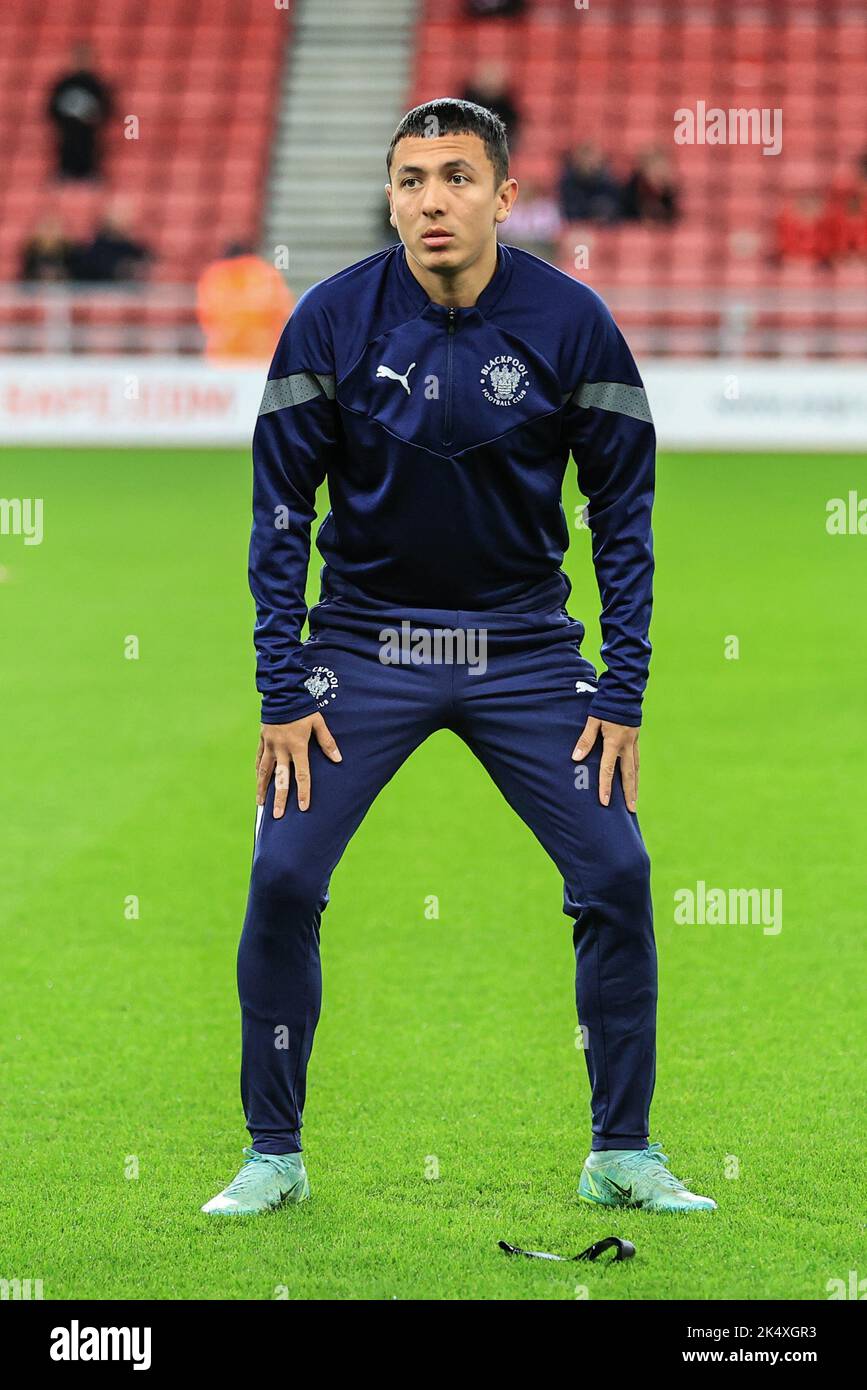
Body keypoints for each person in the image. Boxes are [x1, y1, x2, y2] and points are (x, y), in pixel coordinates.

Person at [201, 99, 717, 1217]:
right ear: (389, 197)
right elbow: (278, 516)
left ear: (504, 196)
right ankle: (272, 1154)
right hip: (361, 648)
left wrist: (621, 687)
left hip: (526, 651)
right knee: (283, 876)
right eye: (409, 180)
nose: (431, 200)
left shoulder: (573, 323)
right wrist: (280, 689)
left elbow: (621, 518)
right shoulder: (330, 323)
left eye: (456, 178)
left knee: (618, 875)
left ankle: (622, 1153)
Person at [196, 244, 295, 361]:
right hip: (262, 352)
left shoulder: (215, 274)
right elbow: (284, 309)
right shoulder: (266, 272)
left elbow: (205, 313)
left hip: (223, 353)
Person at [47, 40, 113, 181]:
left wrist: (92, 117)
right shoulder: (64, 84)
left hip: (90, 146)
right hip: (66, 145)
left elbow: (107, 110)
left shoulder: (97, 85)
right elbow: (51, 109)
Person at [558, 141, 623, 224]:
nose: (589, 163)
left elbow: (614, 213)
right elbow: (570, 213)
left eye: (592, 159)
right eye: (585, 158)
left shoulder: (610, 183)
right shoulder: (568, 184)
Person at [621, 147, 680, 225]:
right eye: (654, 167)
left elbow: (674, 221)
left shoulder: (670, 195)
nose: (658, 173)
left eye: (661, 168)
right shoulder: (628, 194)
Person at [19, 213, 76, 282]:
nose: (50, 232)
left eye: (53, 228)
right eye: (46, 228)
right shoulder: (31, 249)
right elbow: (27, 274)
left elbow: (72, 274)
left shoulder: (68, 249)